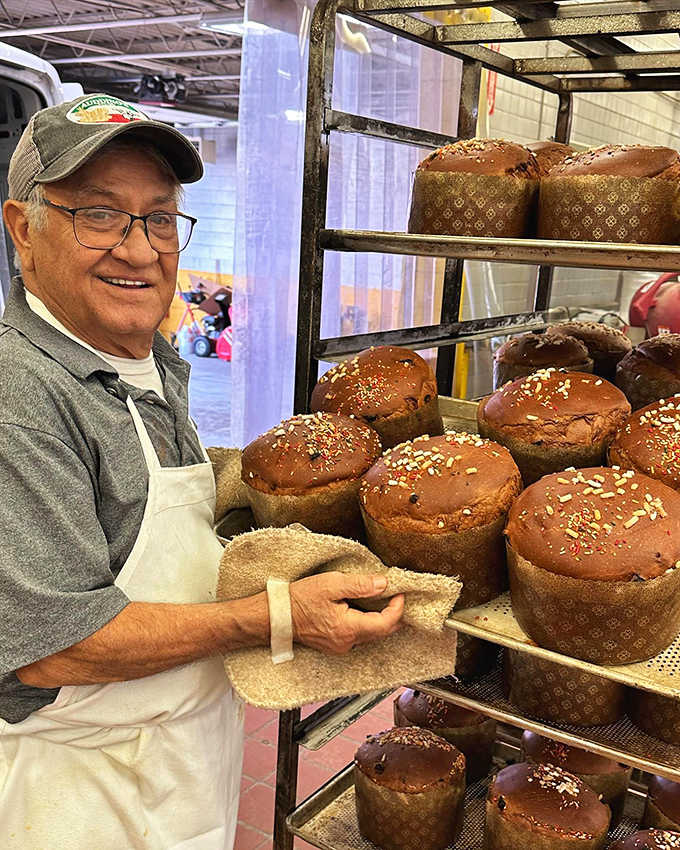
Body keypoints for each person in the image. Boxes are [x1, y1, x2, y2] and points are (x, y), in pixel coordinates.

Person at [0, 93, 404, 850]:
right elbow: (56, 642)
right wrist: (278, 615)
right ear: (24, 229)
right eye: (99, 213)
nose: (140, 248)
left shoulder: (147, 356)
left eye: (158, 217)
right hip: (73, 796)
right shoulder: (19, 394)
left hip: (178, 751)